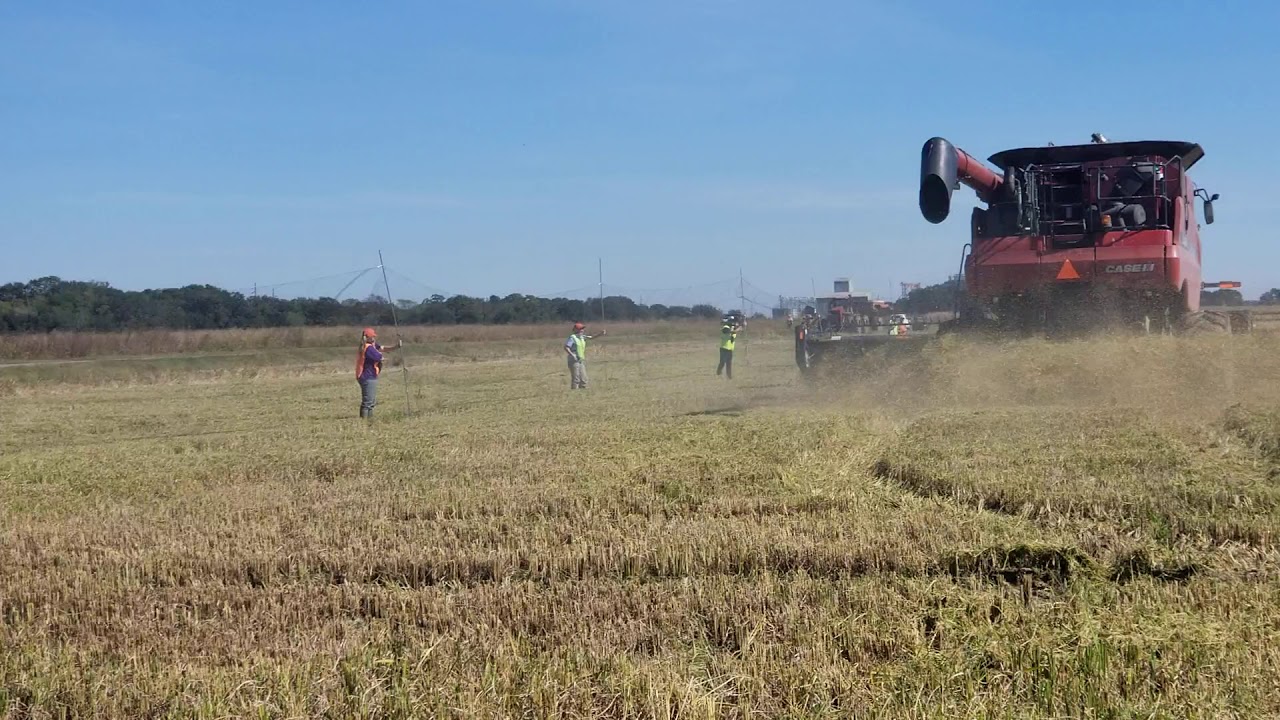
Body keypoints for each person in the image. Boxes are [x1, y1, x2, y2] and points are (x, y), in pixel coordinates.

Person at [356, 327, 400, 419]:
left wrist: (396, 347)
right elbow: (379, 356)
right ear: (368, 337)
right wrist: (384, 357)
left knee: (371, 401)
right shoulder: (368, 348)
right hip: (367, 376)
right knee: (368, 402)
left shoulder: (371, 345)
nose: (374, 338)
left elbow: (382, 348)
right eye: (372, 336)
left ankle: (369, 420)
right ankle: (364, 422)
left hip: (370, 376)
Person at [564, 322, 604, 389]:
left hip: (580, 360)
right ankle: (574, 391)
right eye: (580, 329)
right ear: (575, 330)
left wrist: (600, 334)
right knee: (576, 377)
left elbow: (591, 337)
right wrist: (572, 354)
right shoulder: (572, 338)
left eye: (582, 329)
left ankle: (583, 390)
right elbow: (566, 347)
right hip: (573, 360)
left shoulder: (582, 337)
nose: (582, 330)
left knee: (583, 378)